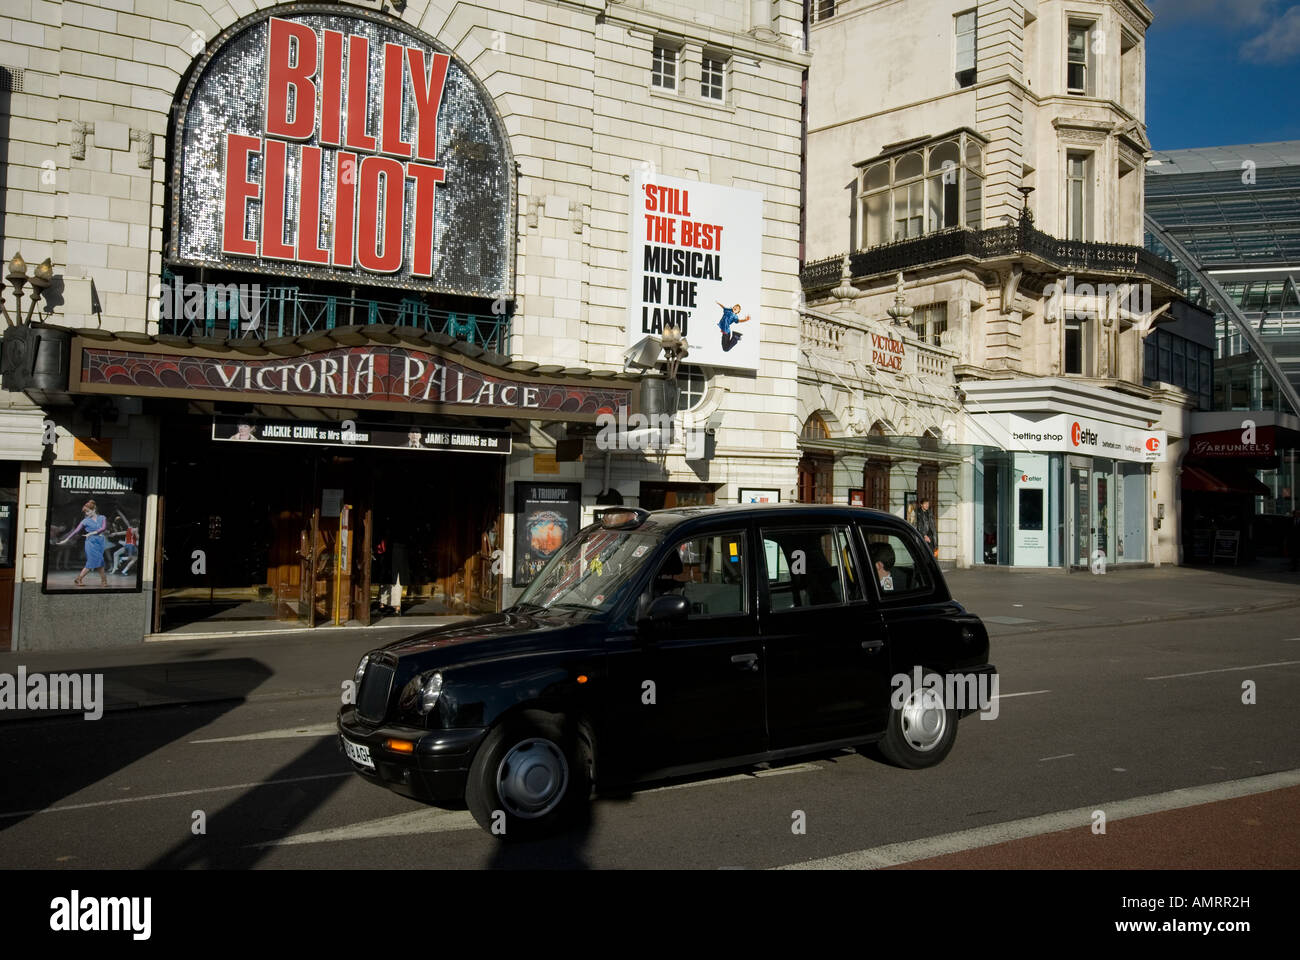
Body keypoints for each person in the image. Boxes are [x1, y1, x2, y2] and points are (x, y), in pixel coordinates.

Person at [57, 499, 109, 587]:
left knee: (98, 561)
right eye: (85, 512)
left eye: (88, 512)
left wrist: (92, 533)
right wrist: (66, 539)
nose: (86, 514)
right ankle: (103, 581)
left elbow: (103, 528)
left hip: (100, 542)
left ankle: (79, 579)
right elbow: (76, 531)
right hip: (90, 543)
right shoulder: (85, 521)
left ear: (94, 509)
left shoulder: (103, 518)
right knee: (96, 560)